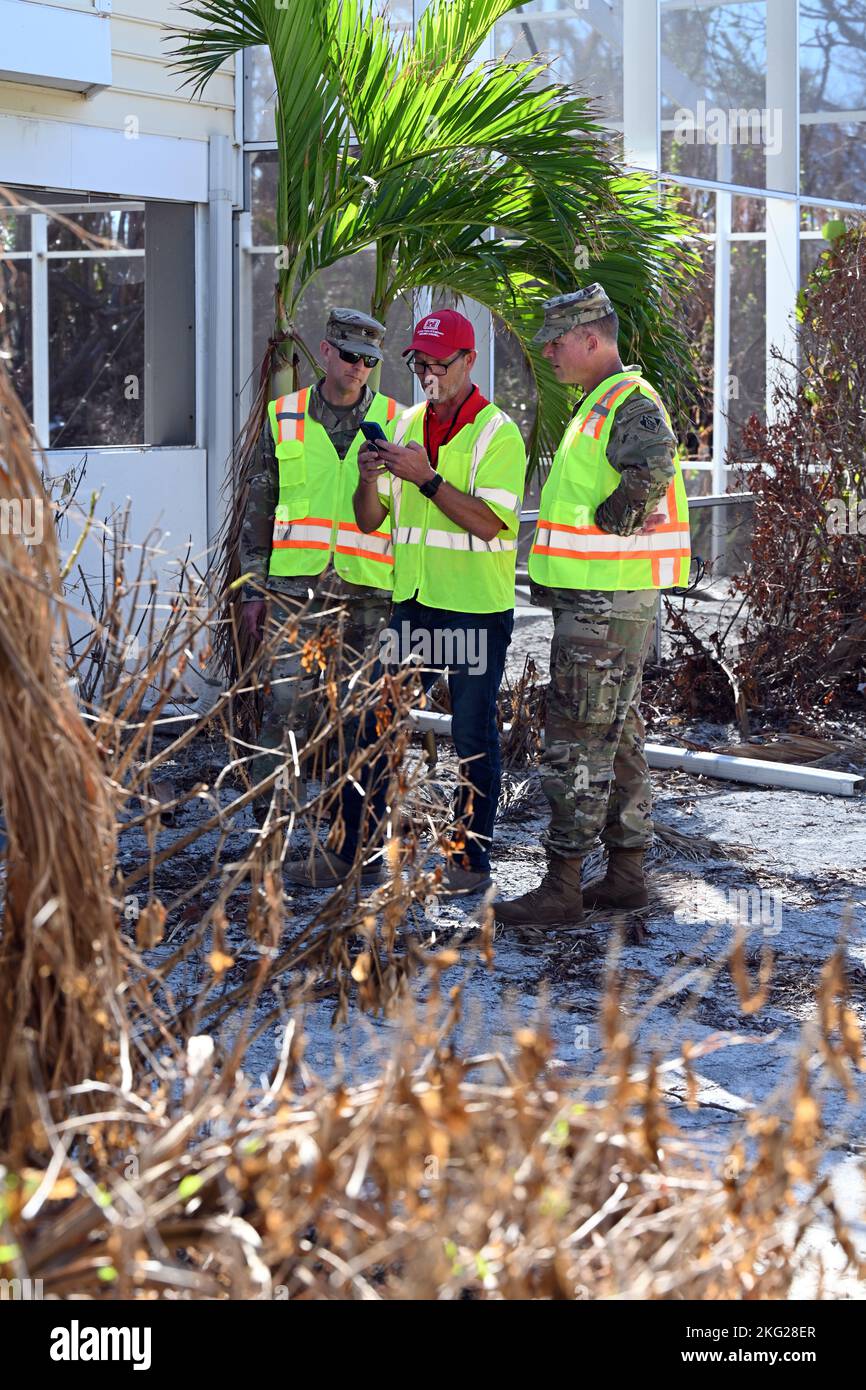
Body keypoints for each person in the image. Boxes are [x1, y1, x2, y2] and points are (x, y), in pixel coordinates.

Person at [285, 308, 527, 891]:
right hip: (414, 605)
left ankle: (468, 865)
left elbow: (492, 525)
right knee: (373, 725)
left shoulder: (499, 433)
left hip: (473, 609)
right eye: (420, 364)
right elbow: (370, 523)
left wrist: (427, 479)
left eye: (440, 365)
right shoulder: (409, 424)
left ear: (469, 361)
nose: (428, 376)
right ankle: (351, 856)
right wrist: (369, 478)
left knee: (471, 736)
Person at [494, 284, 691, 929]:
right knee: (620, 734)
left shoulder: (626, 404)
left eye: (555, 340)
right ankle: (627, 874)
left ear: (590, 339)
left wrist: (617, 518)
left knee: (577, 739)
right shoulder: (600, 405)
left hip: (603, 607)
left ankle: (562, 887)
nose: (546, 352)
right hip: (606, 602)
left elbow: (656, 462)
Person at [239, 308, 400, 819]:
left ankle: (348, 831)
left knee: (358, 716)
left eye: (369, 360)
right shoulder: (283, 415)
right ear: (326, 351)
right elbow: (260, 505)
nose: (358, 368)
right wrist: (252, 589)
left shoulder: (397, 421)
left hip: (370, 593)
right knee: (285, 707)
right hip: (293, 590)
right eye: (350, 355)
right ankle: (271, 828)